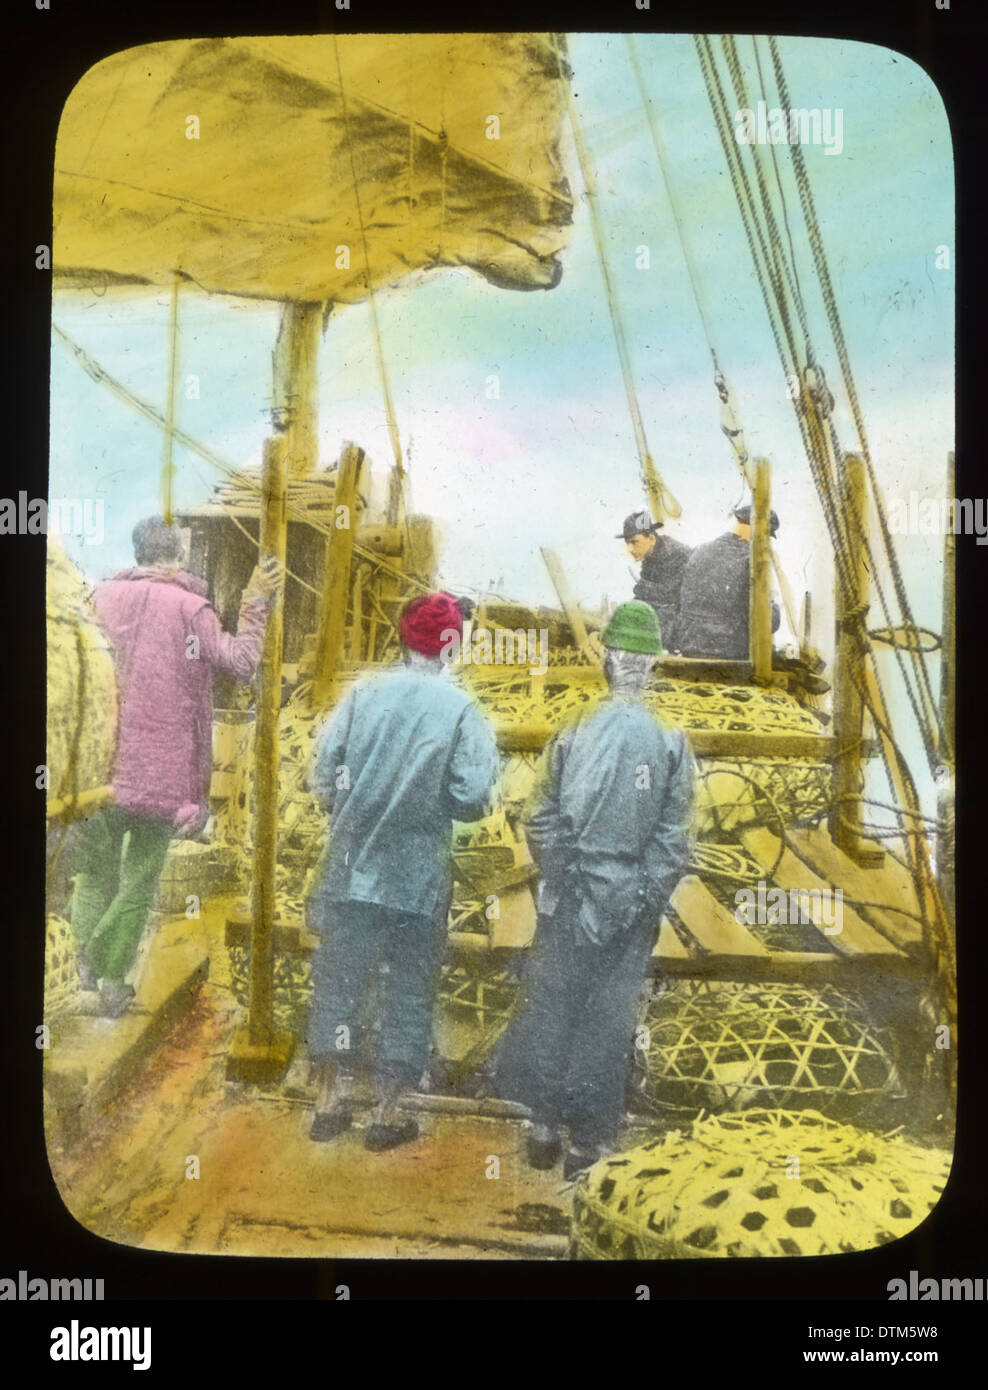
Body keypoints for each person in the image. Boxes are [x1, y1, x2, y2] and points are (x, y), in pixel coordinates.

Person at [496, 600, 694, 1180]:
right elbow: (673, 838)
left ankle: (541, 1128)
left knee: (554, 1004)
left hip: (568, 899)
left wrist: (571, 882)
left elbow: (540, 818)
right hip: (630, 906)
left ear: (607, 658)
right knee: (609, 1018)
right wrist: (635, 898)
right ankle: (589, 1142)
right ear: (652, 665)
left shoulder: (572, 729)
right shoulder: (671, 740)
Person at [306, 591, 499, 1152]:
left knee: (340, 982)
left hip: (351, 870)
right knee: (410, 987)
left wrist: (354, 805)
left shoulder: (363, 693)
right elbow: (472, 795)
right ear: (452, 644)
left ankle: (330, 1102)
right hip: (417, 879)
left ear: (402, 638)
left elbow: (323, 776)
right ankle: (388, 1114)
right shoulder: (463, 710)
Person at [71, 517, 280, 1017]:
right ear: (179, 555)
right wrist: (255, 602)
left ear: (138, 552)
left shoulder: (97, 599)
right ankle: (106, 969)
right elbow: (242, 662)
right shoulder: (192, 609)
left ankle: (88, 962)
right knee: (140, 880)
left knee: (95, 873)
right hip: (161, 775)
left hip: (98, 766)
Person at [675, 504, 781, 660]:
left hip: (690, 647)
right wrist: (775, 607)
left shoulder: (699, 551)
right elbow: (766, 622)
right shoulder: (752, 561)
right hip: (729, 653)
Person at [618, 509, 691, 654]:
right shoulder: (650, 555)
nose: (630, 549)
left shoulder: (676, 554)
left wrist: (641, 587)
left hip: (685, 618)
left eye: (634, 542)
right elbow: (645, 596)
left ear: (651, 538)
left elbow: (670, 595)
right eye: (627, 543)